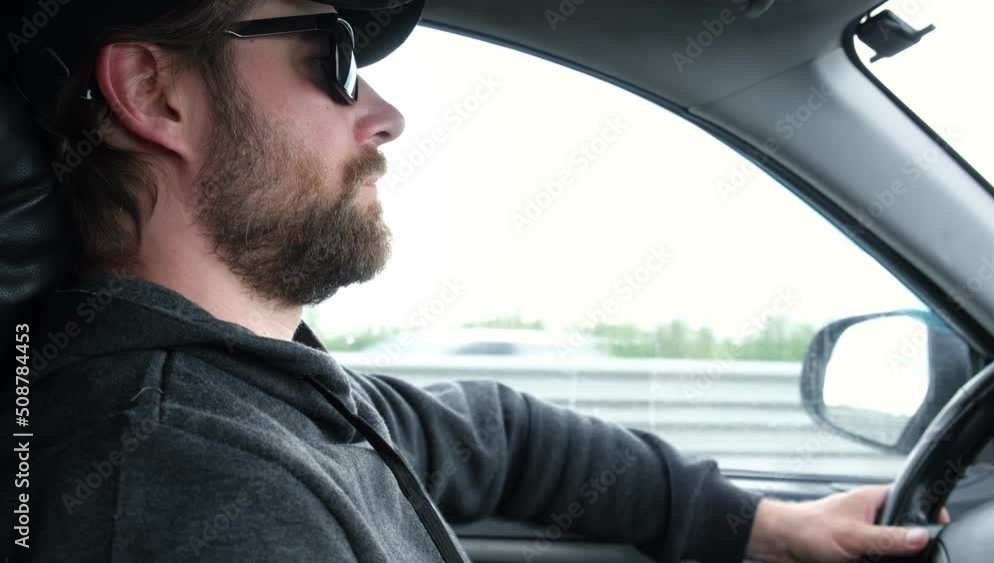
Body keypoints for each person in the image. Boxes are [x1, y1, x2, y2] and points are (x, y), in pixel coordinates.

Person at [3, 0, 945, 561]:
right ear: (153, 92)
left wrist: (757, 526)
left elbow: (498, 433)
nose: (387, 115)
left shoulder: (268, 400)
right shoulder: (184, 488)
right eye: (334, 60)